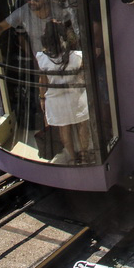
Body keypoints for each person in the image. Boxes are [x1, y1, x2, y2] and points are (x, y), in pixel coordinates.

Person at [36, 18, 91, 165]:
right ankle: (84, 155)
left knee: (64, 130)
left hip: (56, 100)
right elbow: (83, 75)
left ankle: (72, 158)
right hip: (77, 97)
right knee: (82, 126)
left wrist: (42, 99)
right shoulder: (77, 57)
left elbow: (43, 82)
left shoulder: (42, 59)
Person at [0, 0, 75, 58]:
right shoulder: (23, 12)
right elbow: (1, 26)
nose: (31, 2)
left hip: (62, 56)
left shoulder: (58, 11)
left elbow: (71, 31)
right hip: (40, 58)